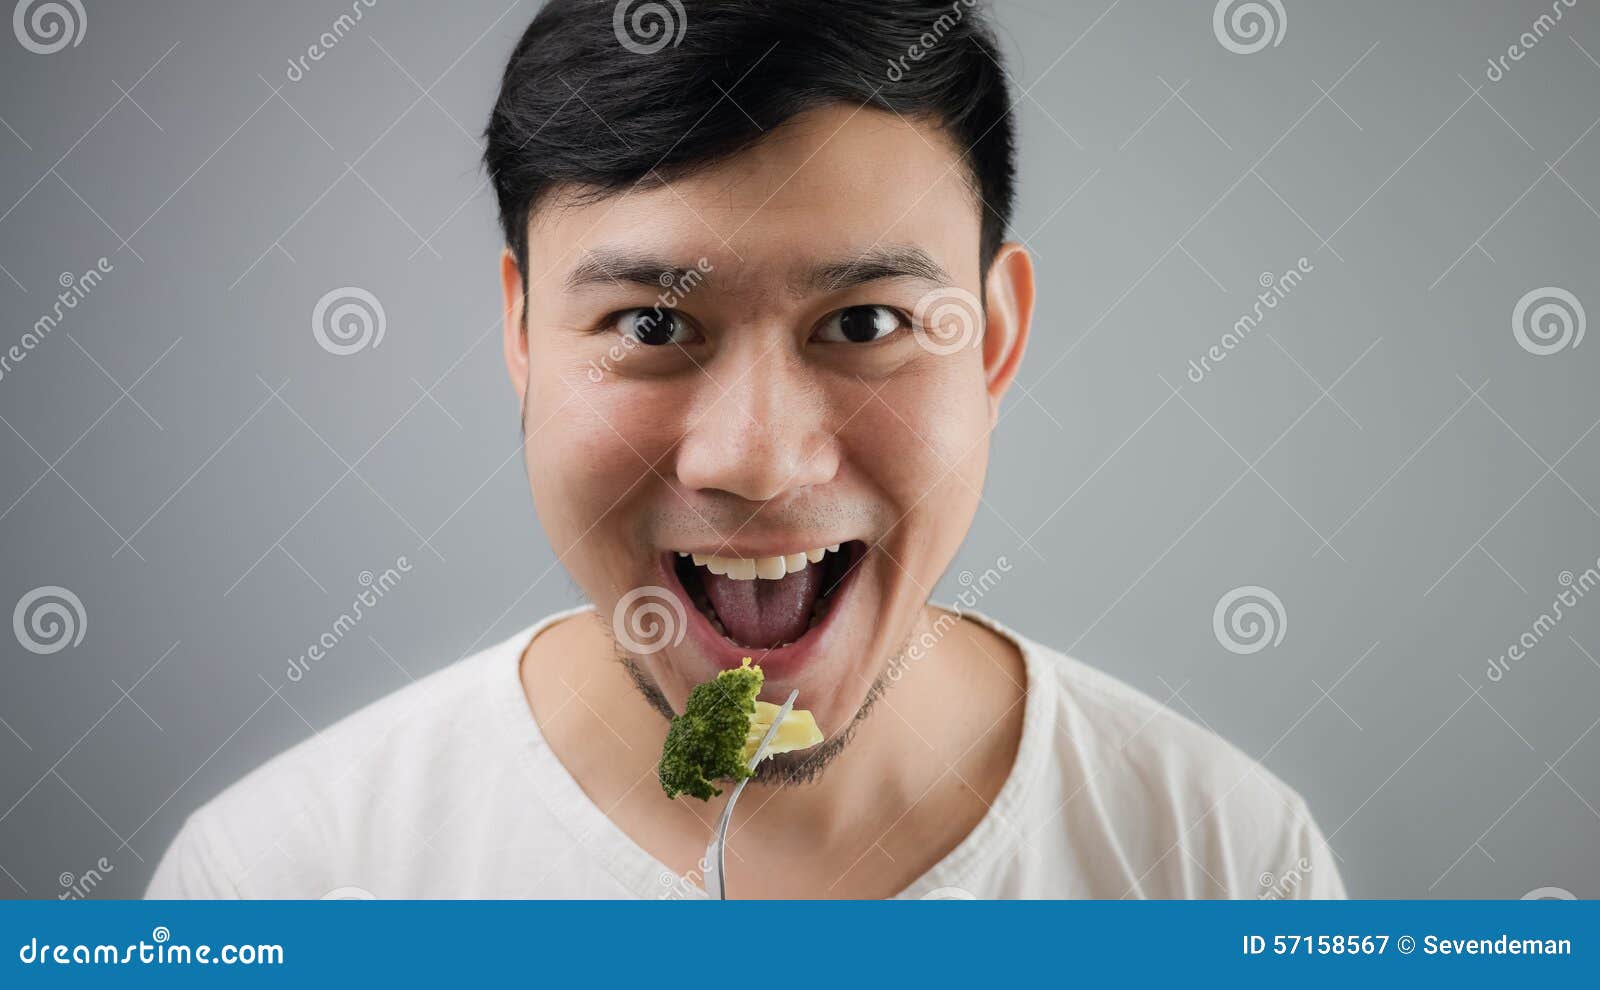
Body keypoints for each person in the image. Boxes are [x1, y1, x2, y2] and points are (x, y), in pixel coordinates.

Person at [149, 0, 1344, 899]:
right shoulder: (282, 881)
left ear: (994, 338)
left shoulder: (1224, 863)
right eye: (652, 326)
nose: (759, 463)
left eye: (865, 323)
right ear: (521, 333)